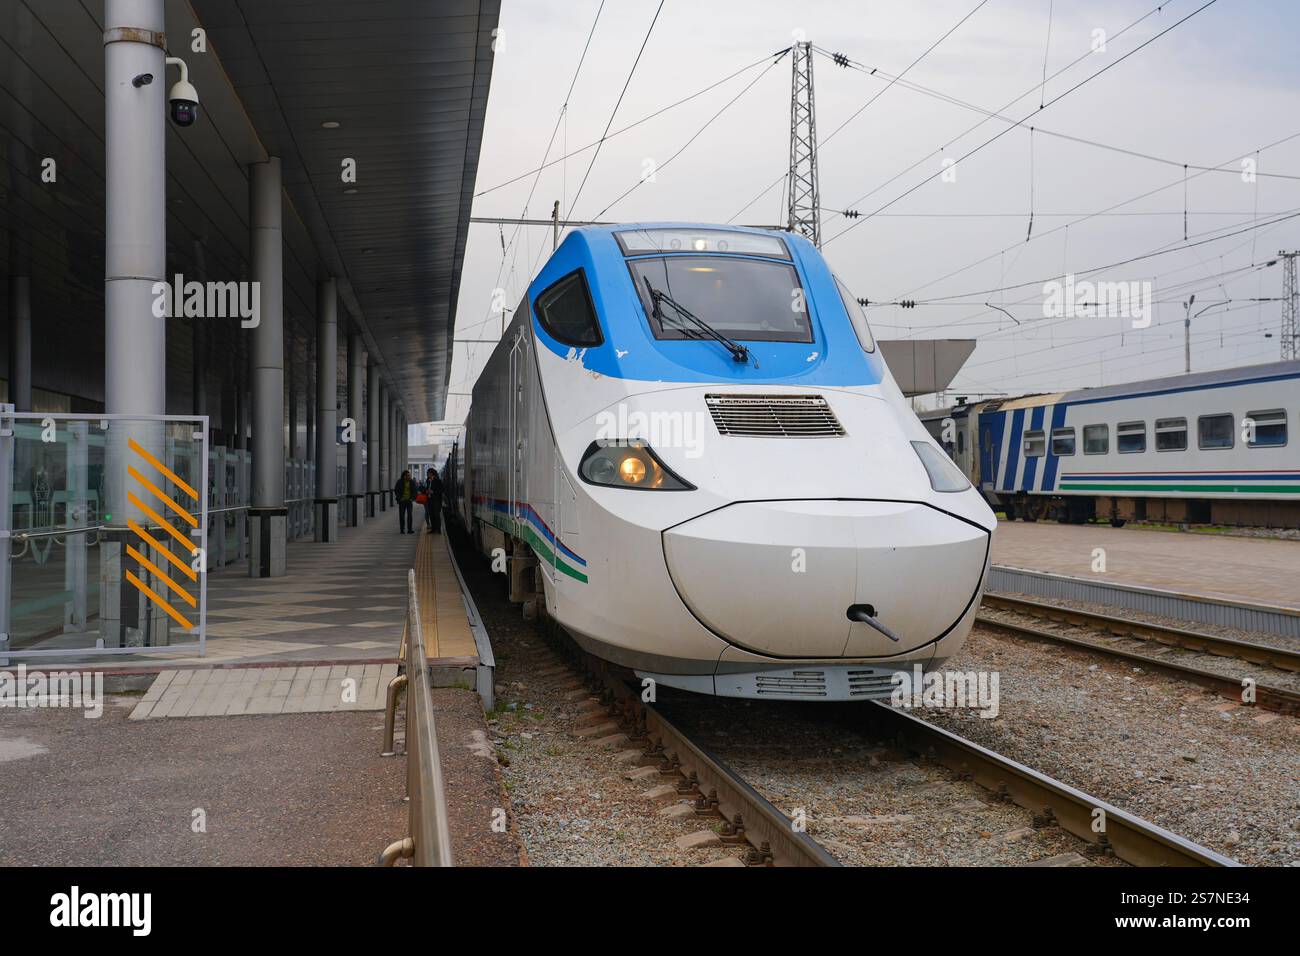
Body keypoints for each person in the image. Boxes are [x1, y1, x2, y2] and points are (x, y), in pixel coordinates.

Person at [422, 467, 444, 534]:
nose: (427, 474)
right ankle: (433, 529)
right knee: (431, 515)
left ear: (432, 474)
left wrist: (433, 492)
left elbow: (442, 490)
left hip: (436, 500)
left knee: (436, 515)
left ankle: (438, 529)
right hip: (429, 500)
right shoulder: (427, 481)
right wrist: (426, 491)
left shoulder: (438, 481)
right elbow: (423, 489)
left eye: (428, 473)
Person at [393, 469, 416, 534]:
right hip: (402, 501)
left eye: (410, 475)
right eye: (408, 476)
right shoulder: (399, 482)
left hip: (409, 501)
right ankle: (402, 529)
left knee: (410, 515)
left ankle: (409, 529)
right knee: (401, 515)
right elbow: (396, 490)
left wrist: (412, 498)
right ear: (404, 476)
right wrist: (399, 498)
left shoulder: (411, 482)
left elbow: (415, 491)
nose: (410, 477)